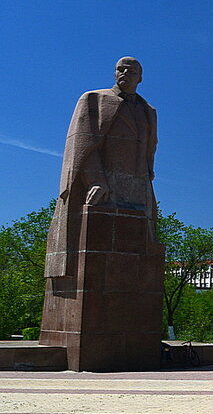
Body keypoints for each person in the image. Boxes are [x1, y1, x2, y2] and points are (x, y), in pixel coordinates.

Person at [44, 57, 158, 279]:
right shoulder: (94, 99)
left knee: (143, 252)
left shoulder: (148, 111)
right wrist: (95, 180)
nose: (125, 74)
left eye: (132, 71)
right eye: (120, 69)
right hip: (106, 184)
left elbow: (149, 149)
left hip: (137, 186)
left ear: (140, 78)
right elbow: (83, 144)